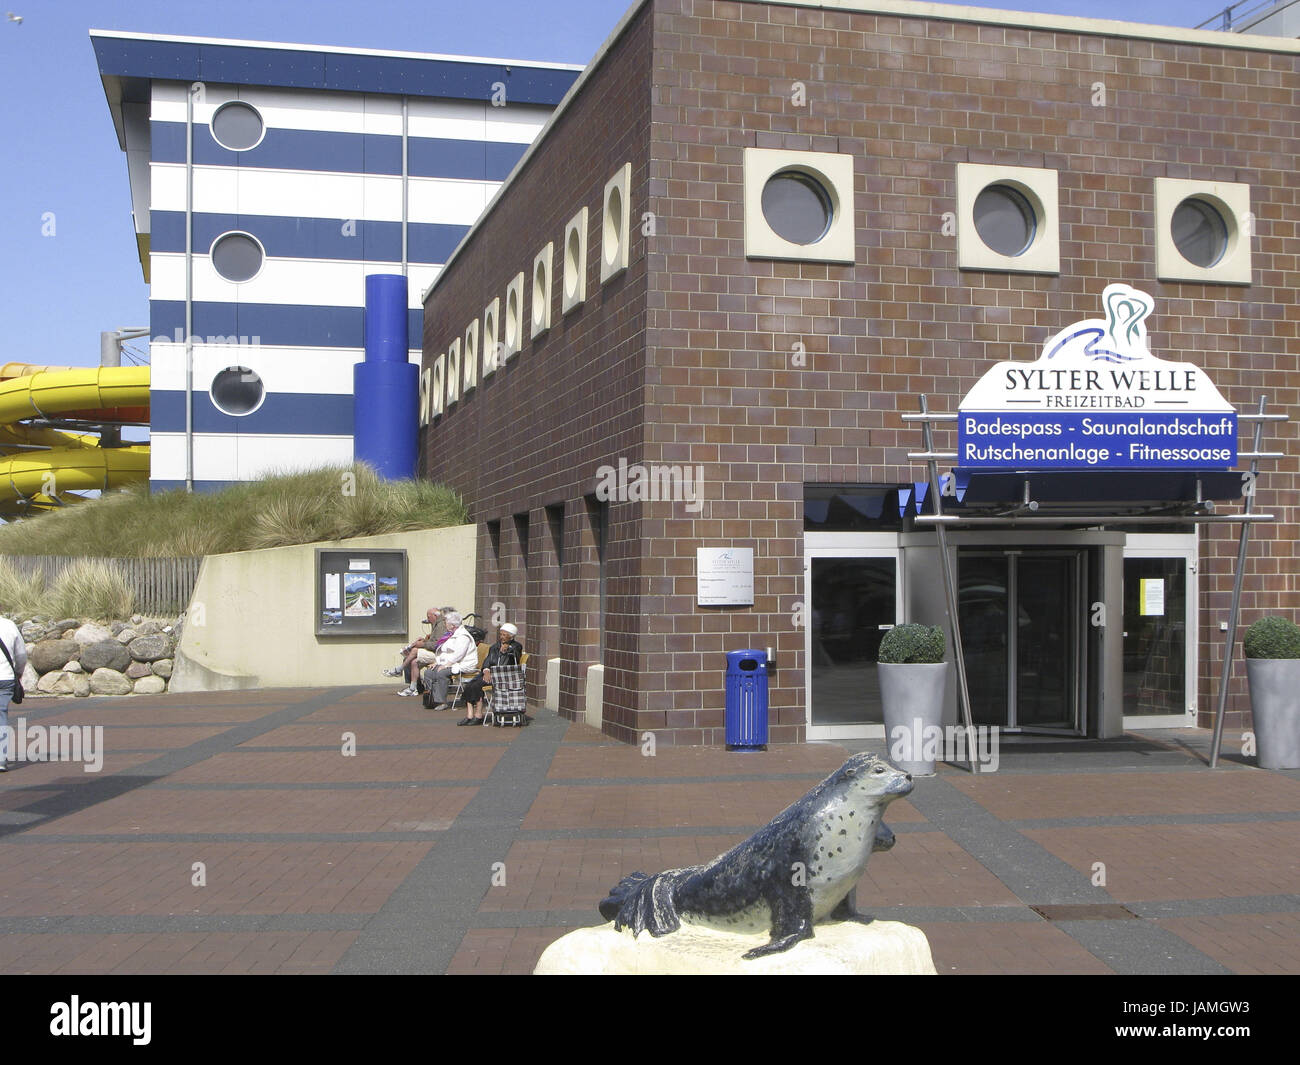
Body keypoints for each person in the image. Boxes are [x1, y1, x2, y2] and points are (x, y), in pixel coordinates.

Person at [457, 623, 523, 726]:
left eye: (504, 635)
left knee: (476, 685)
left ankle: (478, 714)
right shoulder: (495, 646)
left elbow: (515, 653)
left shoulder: (516, 646)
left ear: (511, 636)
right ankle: (469, 715)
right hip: (489, 673)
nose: (501, 637)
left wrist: (507, 648)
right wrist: (486, 670)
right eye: (500, 634)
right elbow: (487, 661)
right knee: (470, 684)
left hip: (502, 676)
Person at [385, 607, 455, 695]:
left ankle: (399, 669)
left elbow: (437, 645)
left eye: (429, 617)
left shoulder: (440, 625)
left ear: (435, 616)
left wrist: (423, 644)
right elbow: (434, 641)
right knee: (414, 662)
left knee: (414, 650)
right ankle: (413, 688)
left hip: (440, 655)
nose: (428, 620)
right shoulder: (436, 624)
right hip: (436, 653)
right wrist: (424, 641)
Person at [421, 611, 478, 707]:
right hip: (450, 663)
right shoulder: (450, 634)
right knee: (429, 672)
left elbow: (458, 654)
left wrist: (446, 665)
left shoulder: (463, 636)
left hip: (463, 664)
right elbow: (444, 652)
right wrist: (437, 662)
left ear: (452, 625)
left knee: (441, 673)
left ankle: (441, 701)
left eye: (446, 622)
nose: (445, 624)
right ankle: (432, 698)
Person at [0, 615, 28, 772]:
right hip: (5, 677)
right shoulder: (9, 625)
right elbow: (21, 655)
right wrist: (18, 673)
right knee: (1, 716)